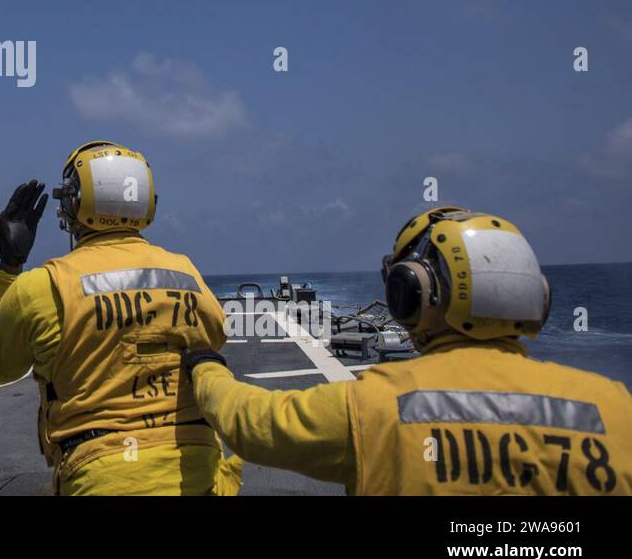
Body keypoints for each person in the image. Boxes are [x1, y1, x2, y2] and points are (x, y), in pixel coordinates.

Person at [184, 206, 632, 494]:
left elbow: (252, 425)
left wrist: (206, 368)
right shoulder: (615, 408)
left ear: (409, 294)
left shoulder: (373, 407)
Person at [0, 141, 241, 495]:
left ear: (72, 204)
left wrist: (8, 269)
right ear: (148, 203)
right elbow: (216, 334)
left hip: (102, 477)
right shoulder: (187, 273)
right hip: (198, 473)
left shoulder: (42, 287)